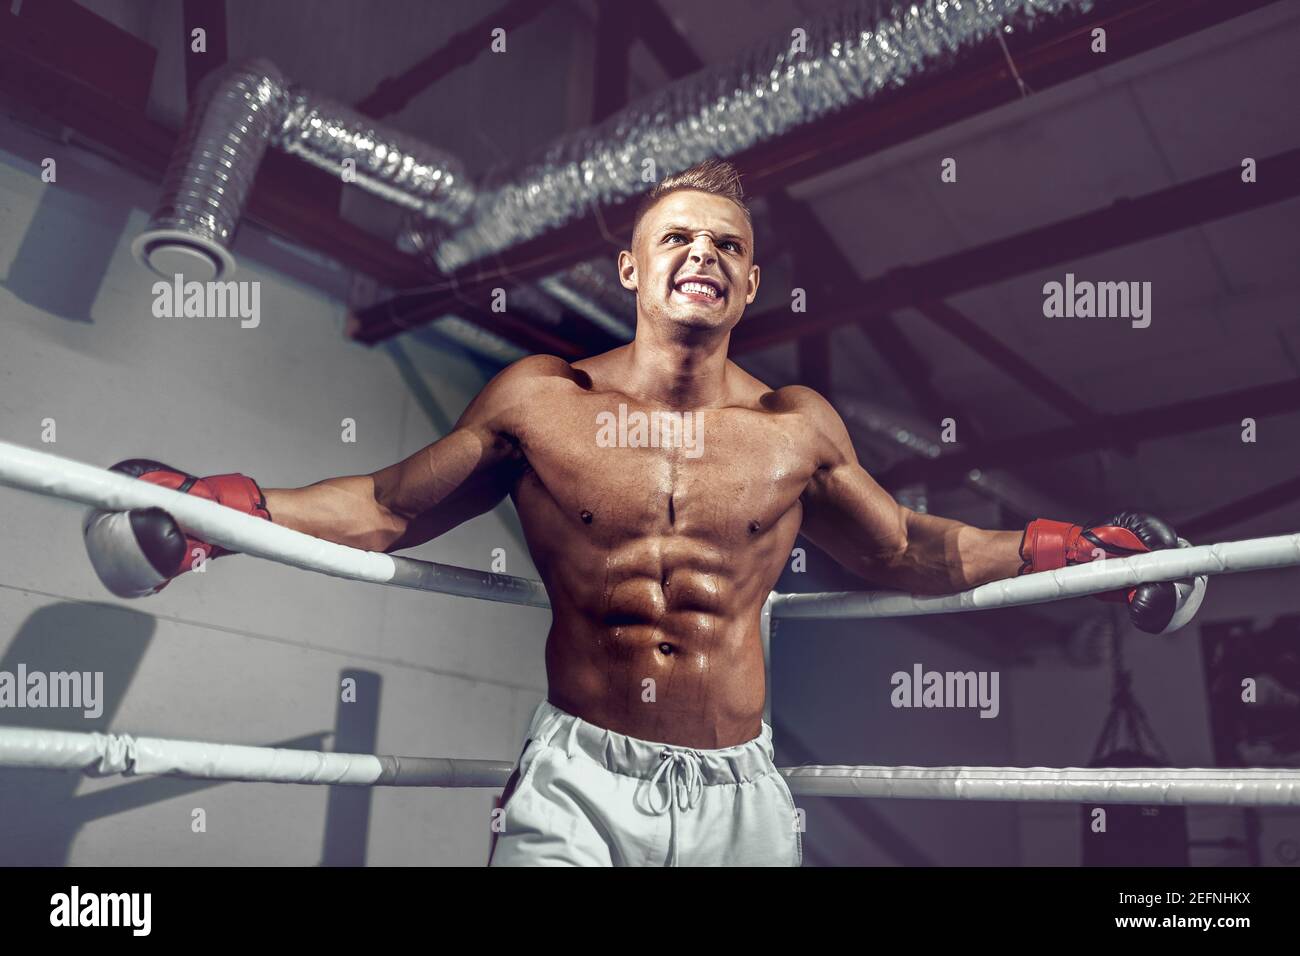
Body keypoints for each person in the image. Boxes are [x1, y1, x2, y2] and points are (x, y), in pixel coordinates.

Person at [84, 159, 1192, 866]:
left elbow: (906, 548)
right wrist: (224, 509)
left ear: (749, 284)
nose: (702, 253)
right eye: (678, 237)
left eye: (726, 245)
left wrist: (1069, 548)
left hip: (740, 793)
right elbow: (385, 505)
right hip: (581, 778)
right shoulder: (540, 402)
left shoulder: (797, 427)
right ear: (631, 267)